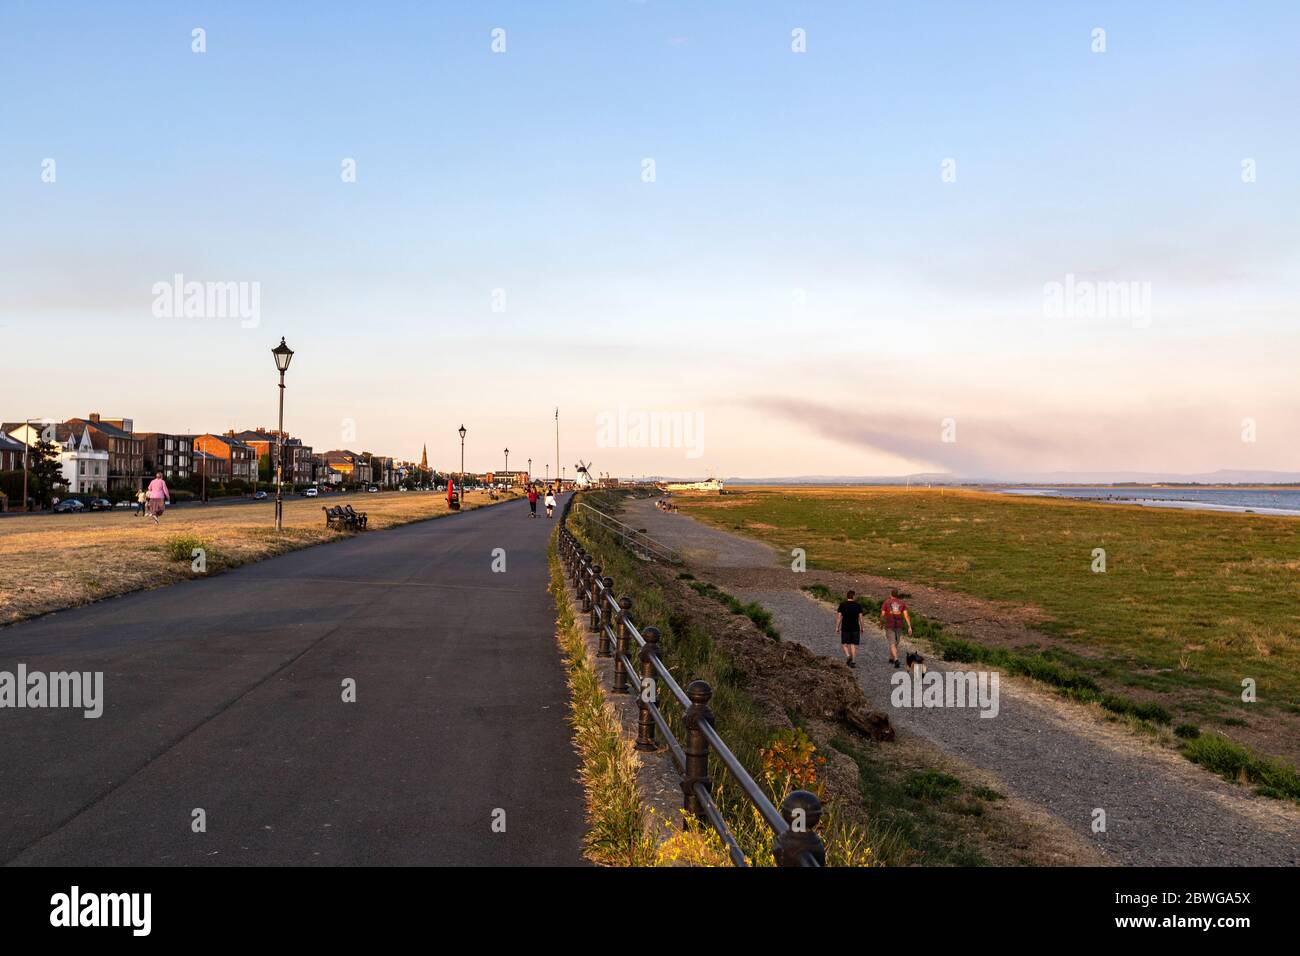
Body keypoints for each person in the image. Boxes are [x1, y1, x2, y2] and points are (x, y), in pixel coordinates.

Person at [881, 588, 912, 668]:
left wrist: (881, 622)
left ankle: (892, 658)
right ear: (897, 595)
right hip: (898, 625)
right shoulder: (902, 603)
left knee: (893, 643)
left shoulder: (887, 602)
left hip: (889, 625)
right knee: (895, 642)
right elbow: (906, 615)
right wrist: (909, 626)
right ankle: (896, 659)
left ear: (890, 594)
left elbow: (883, 614)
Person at [835, 590, 864, 667]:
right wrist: (862, 627)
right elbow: (861, 618)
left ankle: (848, 656)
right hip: (855, 628)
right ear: (853, 596)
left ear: (847, 596)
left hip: (845, 627)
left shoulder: (842, 605)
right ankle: (853, 662)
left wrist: (837, 627)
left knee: (844, 644)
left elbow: (839, 617)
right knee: (853, 645)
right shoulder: (858, 605)